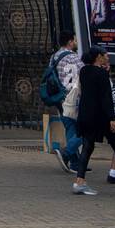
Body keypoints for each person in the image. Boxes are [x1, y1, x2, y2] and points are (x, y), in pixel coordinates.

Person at [71, 47, 115, 195]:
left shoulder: (84, 71)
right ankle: (80, 182)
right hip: (100, 117)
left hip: (86, 115)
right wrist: (112, 118)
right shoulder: (101, 74)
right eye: (105, 55)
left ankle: (79, 181)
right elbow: (106, 98)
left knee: (87, 147)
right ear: (99, 57)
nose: (107, 57)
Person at [48, 31, 82, 173]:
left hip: (59, 97)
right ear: (69, 42)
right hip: (73, 97)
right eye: (74, 40)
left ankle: (74, 162)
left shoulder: (54, 57)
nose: (75, 42)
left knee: (70, 127)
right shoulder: (75, 58)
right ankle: (67, 153)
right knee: (85, 128)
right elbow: (82, 75)